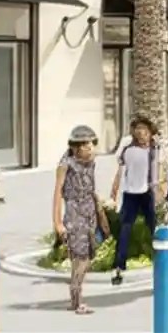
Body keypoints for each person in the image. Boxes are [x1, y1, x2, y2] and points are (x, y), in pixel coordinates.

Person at [52, 125, 110, 314]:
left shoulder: (91, 162)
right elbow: (57, 193)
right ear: (76, 147)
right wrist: (57, 223)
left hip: (90, 211)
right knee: (81, 257)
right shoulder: (65, 164)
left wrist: (100, 208)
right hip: (74, 213)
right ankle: (77, 299)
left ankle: (75, 297)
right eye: (86, 145)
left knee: (87, 256)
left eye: (92, 144)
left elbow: (92, 187)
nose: (90, 149)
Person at [110, 114, 159, 286]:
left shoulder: (154, 148)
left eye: (144, 130)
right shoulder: (127, 146)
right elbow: (120, 168)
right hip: (130, 193)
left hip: (147, 192)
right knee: (125, 229)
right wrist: (114, 192)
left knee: (155, 228)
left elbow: (157, 171)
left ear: (150, 132)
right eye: (138, 129)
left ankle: (162, 260)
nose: (141, 133)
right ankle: (119, 266)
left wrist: (159, 193)